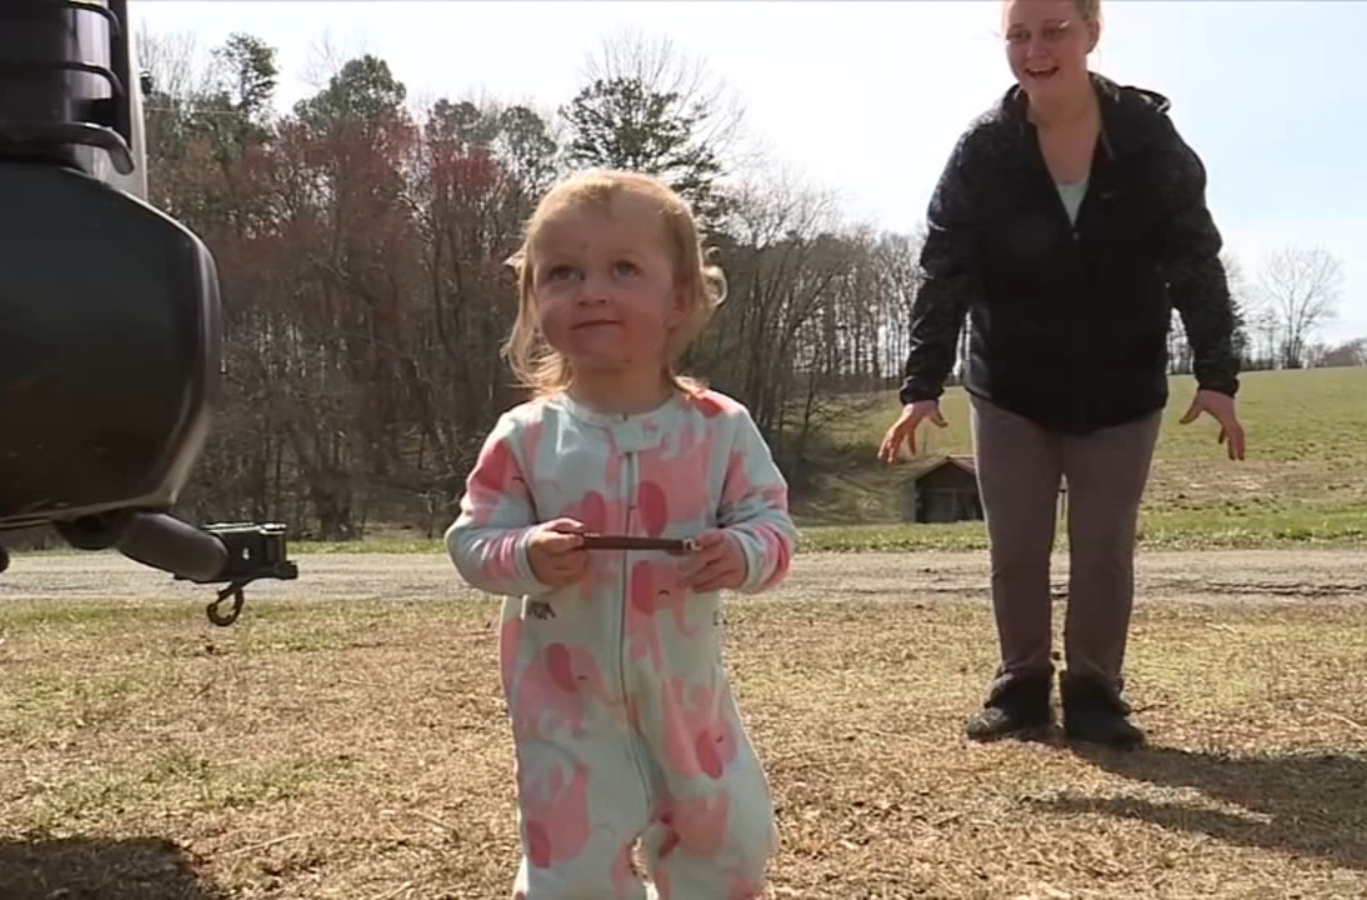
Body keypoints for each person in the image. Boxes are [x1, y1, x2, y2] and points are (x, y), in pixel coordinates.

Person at [878, 0, 1246, 750]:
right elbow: (945, 264)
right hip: (1011, 382)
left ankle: (1094, 693)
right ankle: (1019, 689)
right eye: (1019, 34)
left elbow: (1194, 259)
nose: (1035, 50)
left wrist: (1217, 375)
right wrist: (922, 384)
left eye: (1054, 31)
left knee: (1104, 544)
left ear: (1091, 34)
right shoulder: (984, 149)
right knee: (1016, 545)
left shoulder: (1149, 142)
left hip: (1121, 385)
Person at [445, 169, 796, 898]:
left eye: (623, 269)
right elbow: (473, 542)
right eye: (563, 273)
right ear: (533, 299)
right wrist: (527, 554)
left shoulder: (719, 430)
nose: (591, 291)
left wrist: (741, 552)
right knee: (569, 863)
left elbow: (773, 528)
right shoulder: (526, 437)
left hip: (687, 701)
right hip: (565, 709)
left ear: (679, 299)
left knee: (724, 838)